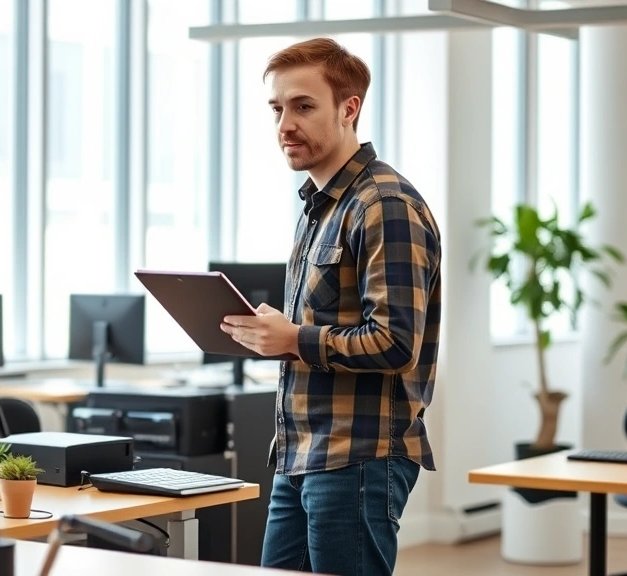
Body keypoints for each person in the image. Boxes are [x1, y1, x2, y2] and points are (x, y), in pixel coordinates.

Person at [219, 37, 441, 576]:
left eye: (302, 106)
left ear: (349, 109)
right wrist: (275, 331)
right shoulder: (319, 208)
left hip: (357, 458)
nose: (284, 125)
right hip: (299, 452)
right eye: (276, 109)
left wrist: (293, 339)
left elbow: (395, 343)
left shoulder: (384, 204)